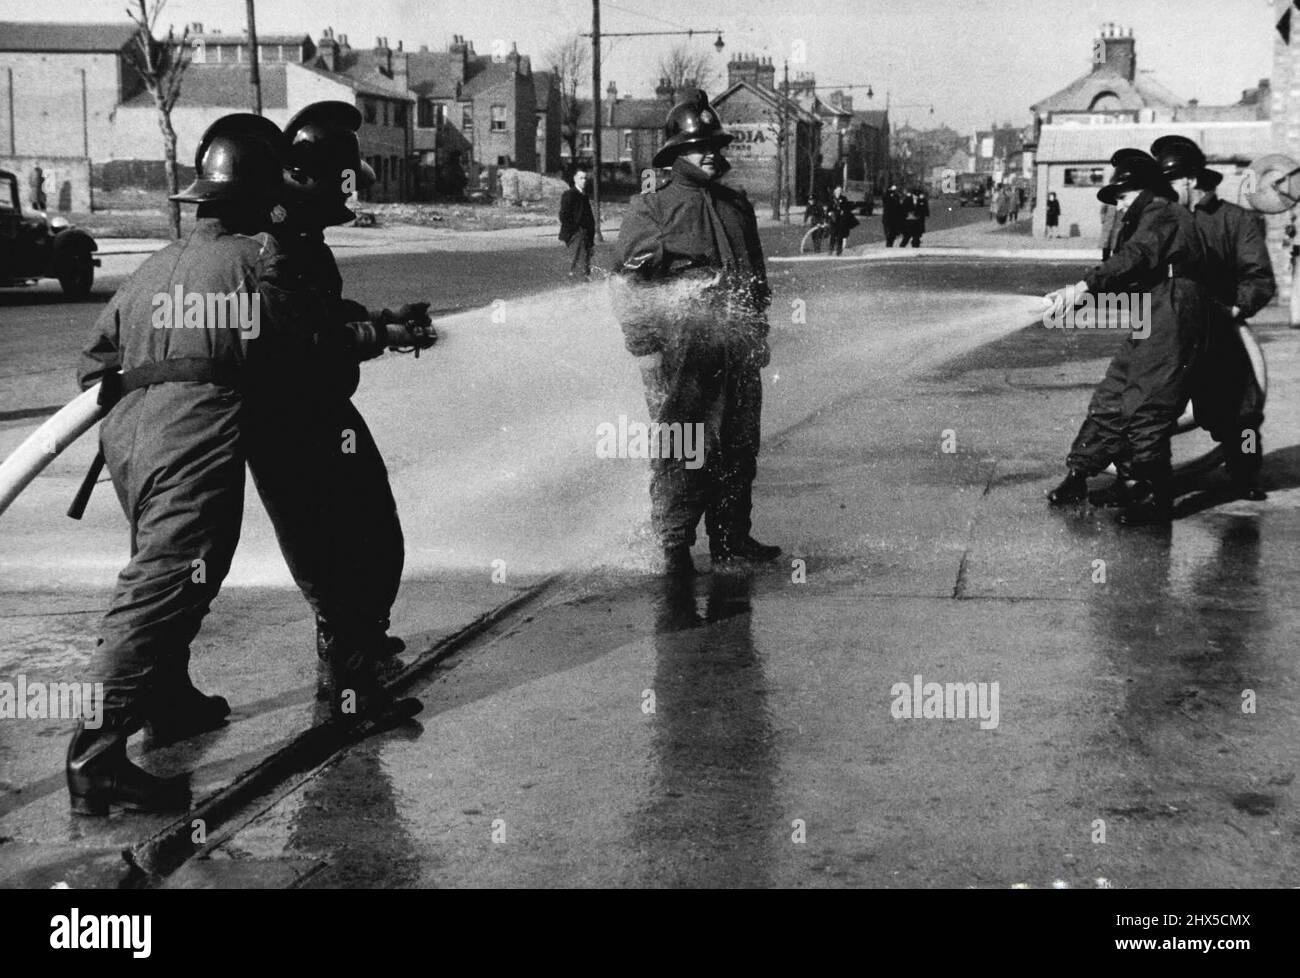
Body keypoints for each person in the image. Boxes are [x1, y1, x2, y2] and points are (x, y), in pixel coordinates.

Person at [69, 115, 290, 815]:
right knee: (167, 580)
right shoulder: (259, 261)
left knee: (164, 564)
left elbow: (94, 365)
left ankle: (168, 699)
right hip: (195, 435)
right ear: (257, 198)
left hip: (133, 441)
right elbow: (303, 354)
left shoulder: (152, 267)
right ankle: (93, 756)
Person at [248, 101, 430, 717]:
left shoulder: (302, 240)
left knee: (373, 532)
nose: (351, 198)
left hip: (320, 413)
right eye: (344, 183)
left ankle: (362, 645)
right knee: (336, 554)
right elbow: (299, 343)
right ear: (311, 180)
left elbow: (323, 316)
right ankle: (351, 692)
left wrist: (381, 320)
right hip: (292, 422)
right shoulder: (277, 249)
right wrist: (381, 338)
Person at [611, 89, 780, 576]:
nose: (710, 152)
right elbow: (629, 286)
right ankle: (676, 545)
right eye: (697, 145)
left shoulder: (735, 204)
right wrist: (644, 349)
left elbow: (755, 277)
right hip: (680, 353)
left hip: (736, 347)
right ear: (675, 154)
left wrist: (758, 331)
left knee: (739, 443)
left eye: (713, 143)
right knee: (683, 445)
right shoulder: (654, 210)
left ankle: (731, 537)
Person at [1044, 148, 1208, 525]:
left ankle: (1155, 497)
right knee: (1112, 395)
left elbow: (1137, 257)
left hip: (1173, 310)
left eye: (1123, 197)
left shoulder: (1162, 212)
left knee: (1146, 403)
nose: (1119, 207)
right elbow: (1134, 274)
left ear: (1145, 190)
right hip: (1155, 308)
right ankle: (1079, 474)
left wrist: (1086, 284)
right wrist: (1077, 297)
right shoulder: (1150, 215)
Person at [1151, 135, 1276, 501]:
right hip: (1171, 333)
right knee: (1150, 409)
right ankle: (1151, 478)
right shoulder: (1161, 221)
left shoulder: (1234, 221)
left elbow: (1259, 277)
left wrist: (1236, 307)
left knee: (1244, 416)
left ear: (1191, 180)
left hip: (1220, 333)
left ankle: (1245, 475)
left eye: (1171, 183)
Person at [559, 167, 597, 279]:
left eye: (585, 178)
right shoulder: (570, 194)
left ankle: (583, 285)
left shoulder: (584, 196)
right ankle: (577, 286)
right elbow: (563, 215)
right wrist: (575, 231)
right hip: (577, 234)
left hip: (585, 235)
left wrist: (591, 240)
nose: (584, 181)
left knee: (585, 263)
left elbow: (589, 218)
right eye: (581, 178)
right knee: (579, 263)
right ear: (575, 179)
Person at [826, 185, 859, 256]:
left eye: (840, 191)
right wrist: (830, 213)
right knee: (833, 235)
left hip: (841, 220)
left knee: (840, 236)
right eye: (838, 190)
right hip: (833, 220)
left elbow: (847, 208)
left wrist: (844, 211)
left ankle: (839, 252)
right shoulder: (831, 199)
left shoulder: (844, 199)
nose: (839, 192)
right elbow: (828, 209)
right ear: (835, 191)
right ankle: (830, 250)